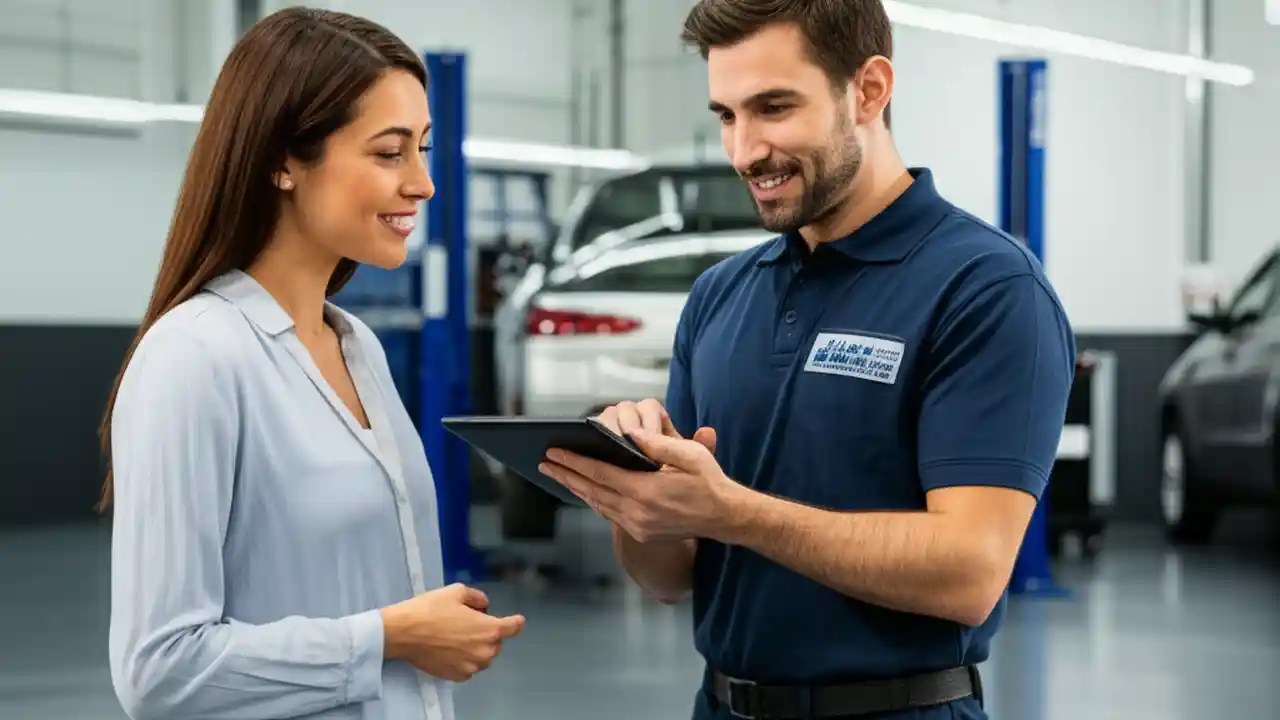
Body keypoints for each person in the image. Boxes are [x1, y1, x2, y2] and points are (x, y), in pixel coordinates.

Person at [538, 1, 1075, 718]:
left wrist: (734, 513)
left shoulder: (986, 288)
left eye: (774, 107)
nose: (744, 150)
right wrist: (633, 494)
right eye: (727, 115)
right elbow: (668, 579)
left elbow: (969, 572)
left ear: (869, 90)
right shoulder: (720, 296)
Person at [99, 8, 524, 720]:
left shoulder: (358, 346)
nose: (423, 183)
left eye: (422, 149)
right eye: (389, 153)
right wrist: (390, 636)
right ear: (283, 161)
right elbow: (159, 670)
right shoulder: (194, 357)